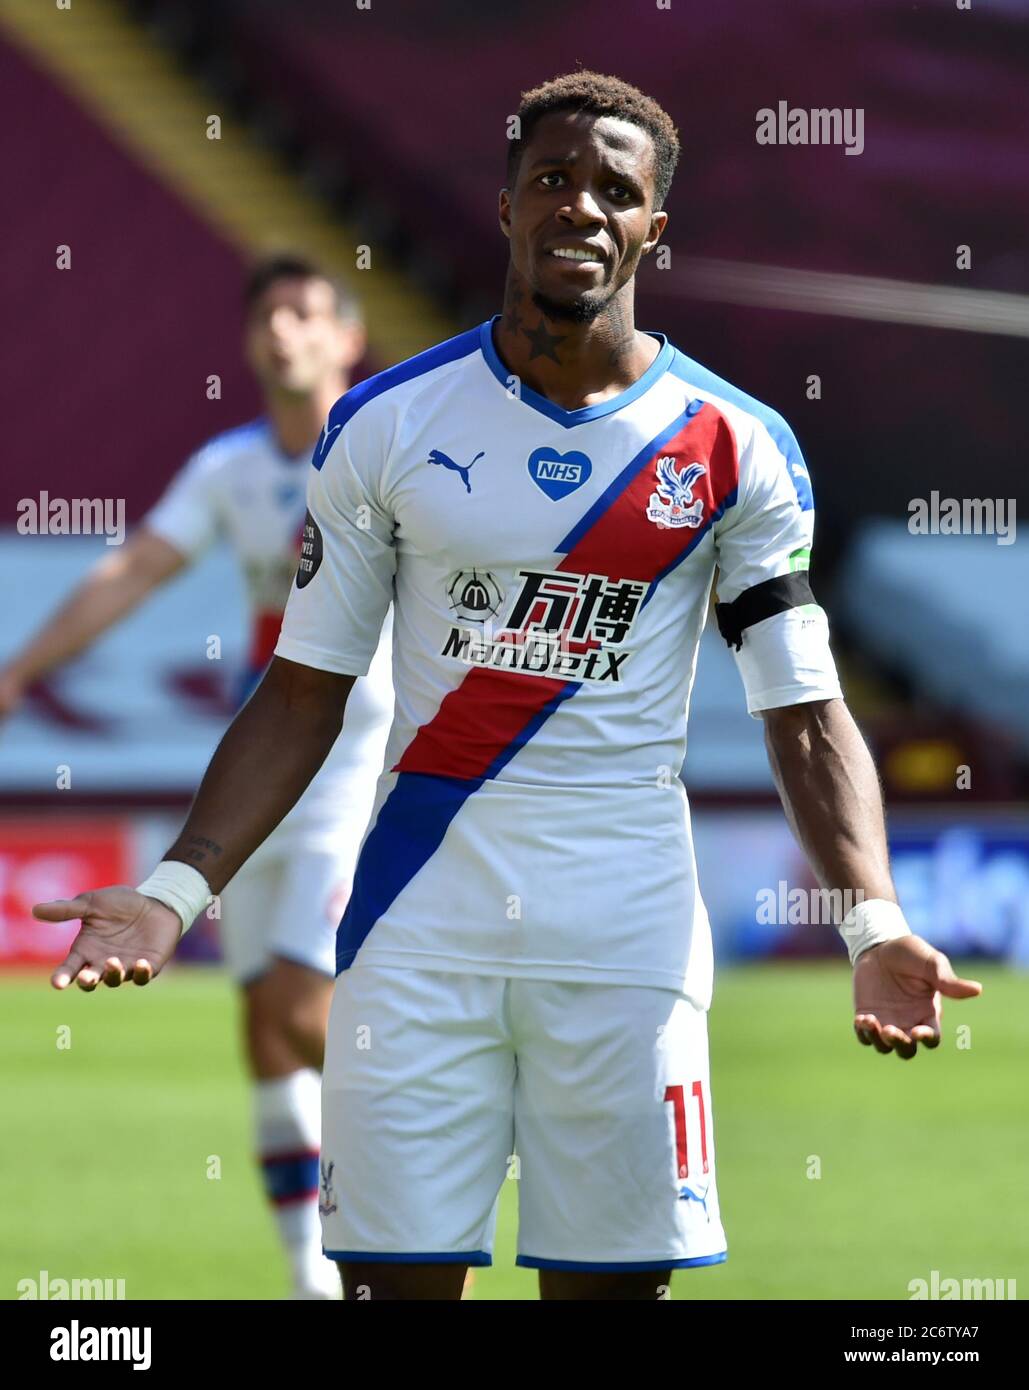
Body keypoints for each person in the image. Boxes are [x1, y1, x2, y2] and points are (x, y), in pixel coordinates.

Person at [34, 72, 982, 1302]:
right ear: (503, 208)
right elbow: (302, 689)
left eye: (615, 191)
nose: (581, 207)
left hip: (627, 935)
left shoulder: (736, 445)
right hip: (417, 933)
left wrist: (868, 917)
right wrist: (176, 889)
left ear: (655, 230)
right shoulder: (385, 425)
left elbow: (804, 711)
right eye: (554, 180)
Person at [7, 255, 393, 1299]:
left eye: (308, 312)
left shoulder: (395, 442)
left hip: (363, 759)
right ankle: (316, 1284)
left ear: (347, 339)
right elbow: (134, 567)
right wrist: (22, 669)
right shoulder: (230, 467)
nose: (285, 331)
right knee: (262, 1023)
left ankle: (448, 1114)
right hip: (266, 766)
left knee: (298, 1003)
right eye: (268, 313)